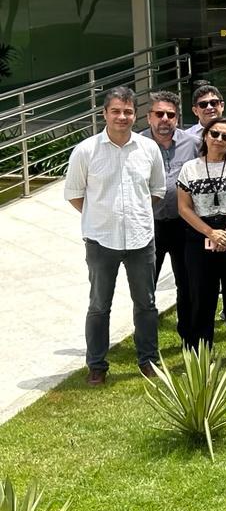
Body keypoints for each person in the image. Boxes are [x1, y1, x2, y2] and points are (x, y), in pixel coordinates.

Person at [64, 86, 165, 385]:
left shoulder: (148, 149)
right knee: (99, 305)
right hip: (100, 241)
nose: (122, 116)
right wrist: (99, 216)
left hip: (141, 239)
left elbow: (157, 190)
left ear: (135, 114)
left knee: (146, 303)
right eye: (116, 111)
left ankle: (148, 360)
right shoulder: (86, 150)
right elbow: (74, 194)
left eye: (128, 111)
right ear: (104, 113)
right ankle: (97, 364)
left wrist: (135, 213)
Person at [175, 115, 226, 361]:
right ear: (205, 136)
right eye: (214, 134)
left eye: (225, 136)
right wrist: (211, 232)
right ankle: (201, 351)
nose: (219, 139)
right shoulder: (190, 168)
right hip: (200, 236)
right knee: (201, 296)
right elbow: (184, 207)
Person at [139, 90, 198, 347]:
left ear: (177, 117)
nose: (165, 119)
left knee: (187, 284)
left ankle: (189, 338)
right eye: (159, 114)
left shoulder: (193, 143)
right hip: (148, 225)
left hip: (184, 225)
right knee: (145, 287)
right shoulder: (137, 144)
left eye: (170, 114)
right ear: (149, 116)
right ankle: (146, 344)